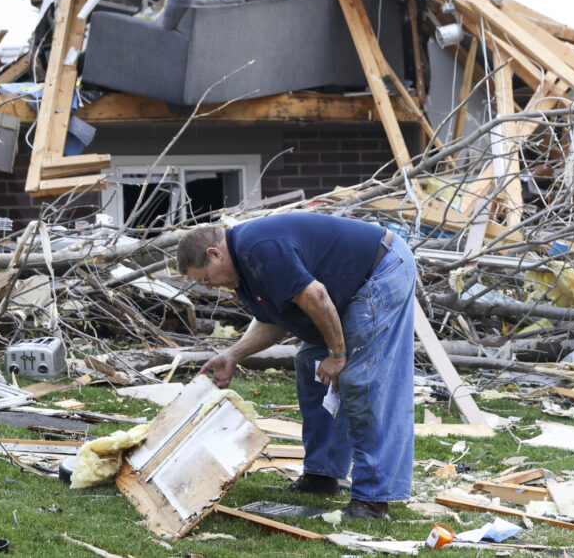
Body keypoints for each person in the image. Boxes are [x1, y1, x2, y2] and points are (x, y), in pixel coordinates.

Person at [177, 212, 415, 520]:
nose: (211, 287)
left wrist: (339, 355)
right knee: (310, 363)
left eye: (206, 278)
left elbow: (315, 295)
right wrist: (233, 355)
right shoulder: (244, 271)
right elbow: (274, 322)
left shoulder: (259, 247)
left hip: (380, 270)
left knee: (359, 379)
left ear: (214, 253)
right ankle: (322, 476)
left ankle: (373, 500)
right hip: (344, 291)